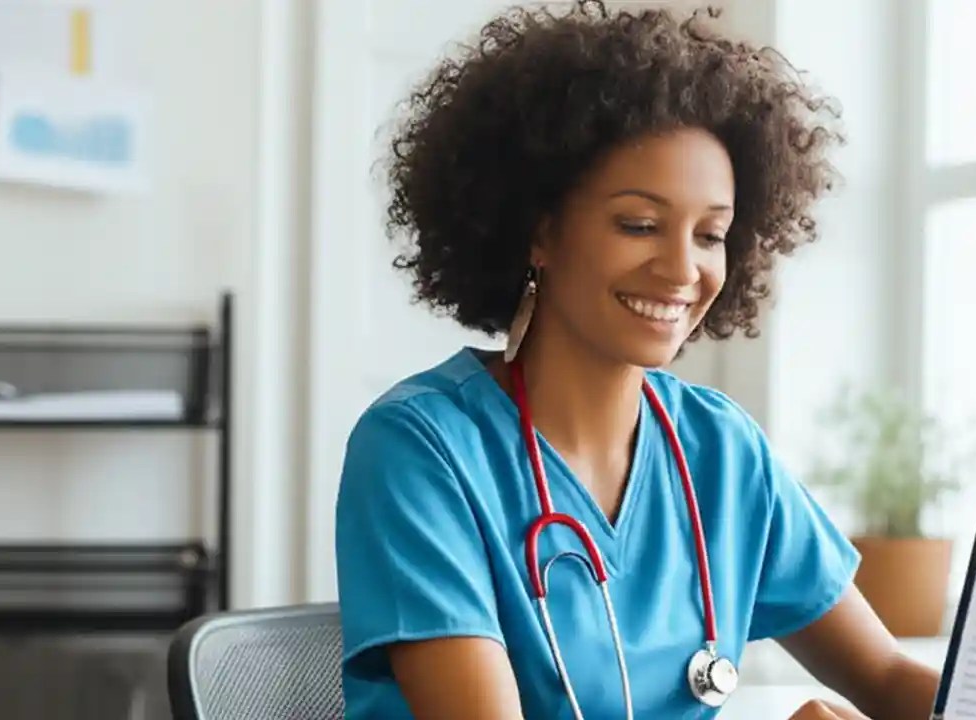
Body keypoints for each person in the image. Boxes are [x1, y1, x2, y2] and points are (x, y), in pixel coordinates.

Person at [335, 2, 940, 718]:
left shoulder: (720, 450)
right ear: (539, 231)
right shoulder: (419, 448)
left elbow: (887, 677)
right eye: (640, 224)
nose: (682, 270)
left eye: (710, 235)